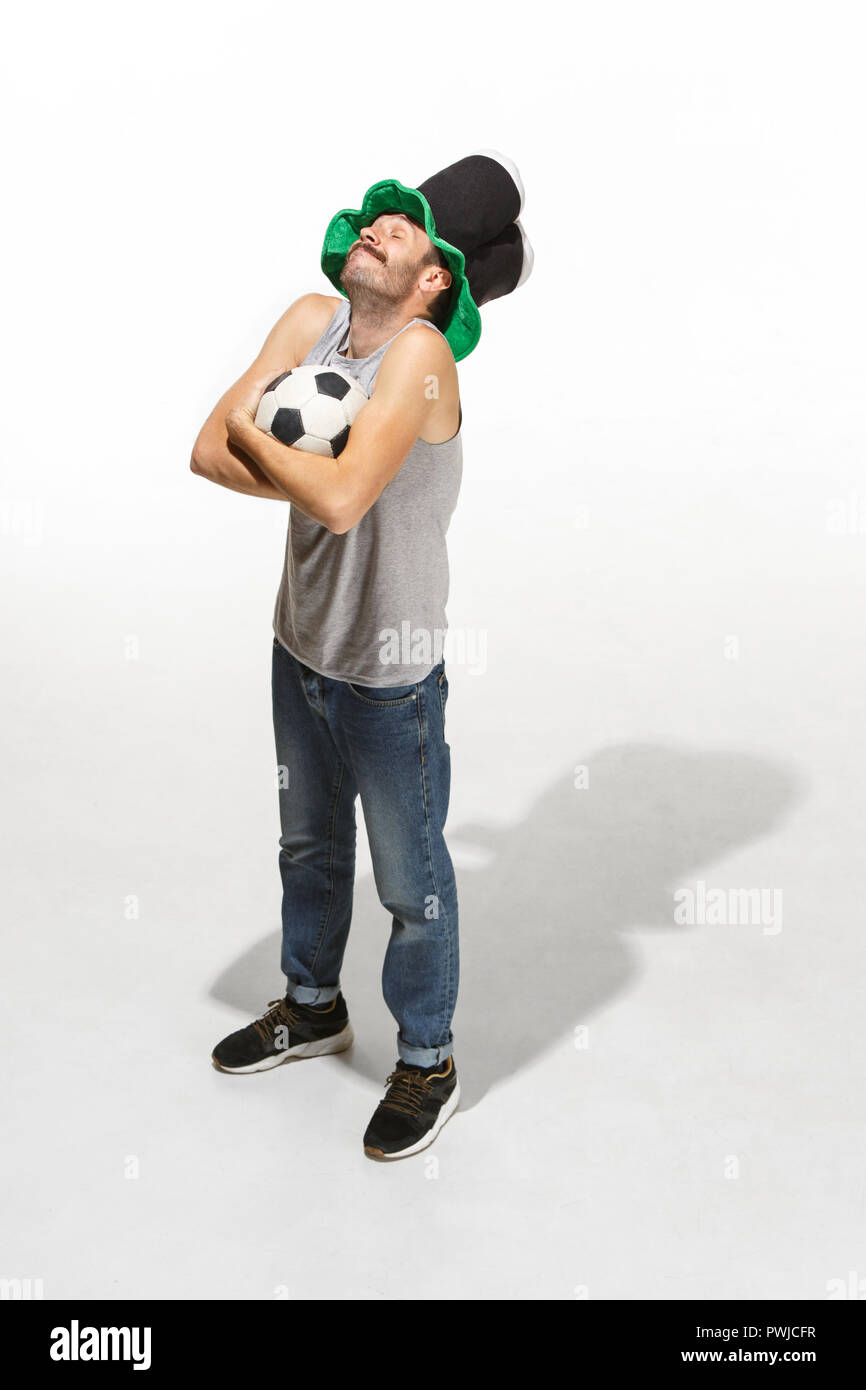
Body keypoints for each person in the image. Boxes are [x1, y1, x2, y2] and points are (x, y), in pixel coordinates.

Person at [190, 153, 532, 1160]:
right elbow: (206, 450)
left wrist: (287, 454)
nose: (376, 225)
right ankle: (311, 1005)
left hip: (388, 673)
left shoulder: (422, 355)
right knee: (306, 845)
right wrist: (314, 464)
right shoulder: (310, 322)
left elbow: (337, 503)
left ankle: (426, 1057)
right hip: (299, 642)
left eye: (403, 227)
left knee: (408, 876)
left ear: (435, 280)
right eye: (378, 214)